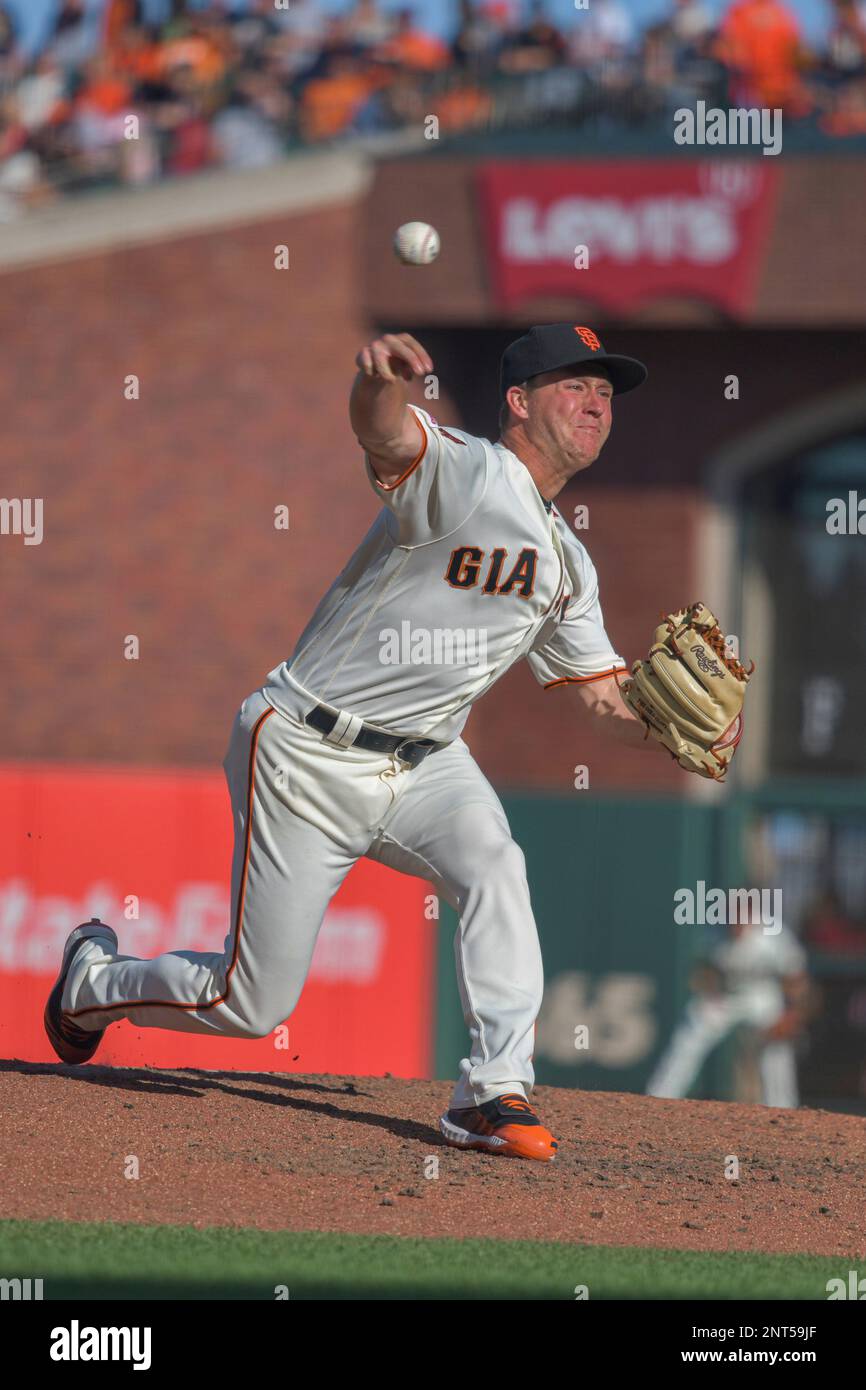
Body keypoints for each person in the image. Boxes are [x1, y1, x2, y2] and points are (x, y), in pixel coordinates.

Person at [46, 324, 669, 1165]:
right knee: (252, 1004)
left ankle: (492, 1093)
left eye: (606, 391)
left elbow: (600, 698)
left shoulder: (569, 562)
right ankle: (93, 982)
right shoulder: (468, 472)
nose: (596, 401)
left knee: (497, 867)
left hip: (428, 765)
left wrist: (676, 729)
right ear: (518, 402)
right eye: (575, 384)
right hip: (307, 747)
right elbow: (384, 432)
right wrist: (379, 381)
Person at [646, 909, 811, 1108]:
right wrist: (709, 989)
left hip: (762, 996)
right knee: (693, 1027)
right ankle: (659, 1098)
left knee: (776, 1046)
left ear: (753, 916)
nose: (737, 923)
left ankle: (783, 1108)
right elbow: (701, 971)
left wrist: (790, 1014)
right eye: (733, 916)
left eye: (742, 917)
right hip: (726, 996)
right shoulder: (714, 932)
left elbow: (796, 976)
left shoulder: (773, 933)